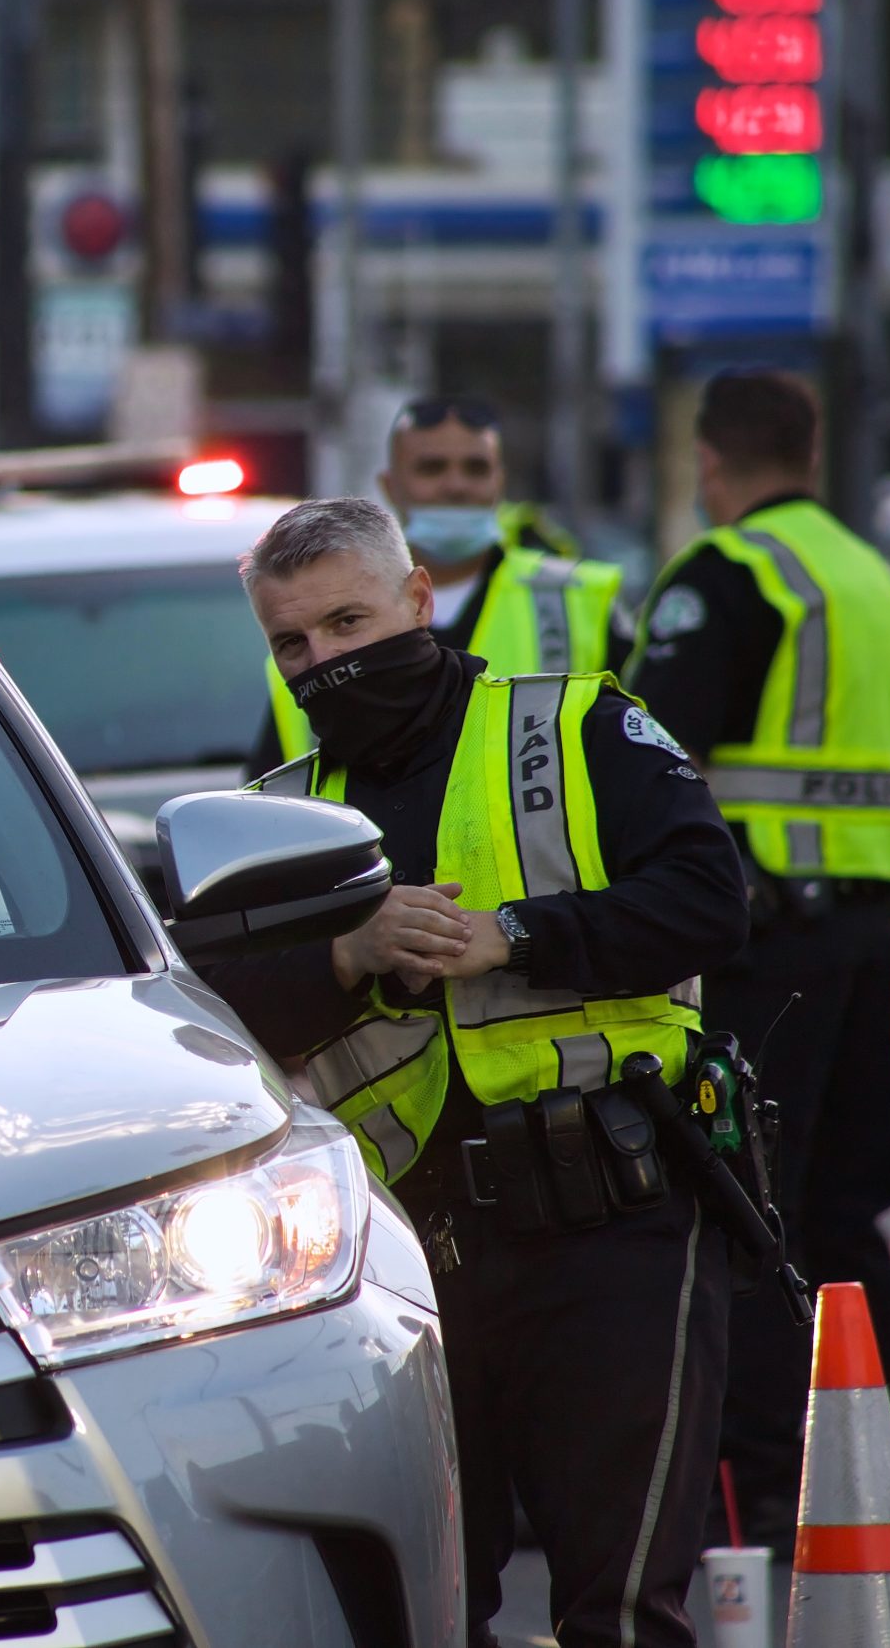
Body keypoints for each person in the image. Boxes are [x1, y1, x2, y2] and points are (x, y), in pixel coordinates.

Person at [207, 497, 748, 1648]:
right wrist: (349, 957)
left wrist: (519, 934)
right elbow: (208, 1021)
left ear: (418, 600)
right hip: (405, 1271)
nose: (325, 663)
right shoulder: (272, 817)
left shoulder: (579, 726)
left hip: (614, 1224)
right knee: (431, 1614)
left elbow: (711, 902)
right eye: (292, 645)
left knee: (619, 1609)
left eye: (348, 623)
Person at [623, 369, 890, 1557]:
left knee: (750, 1219)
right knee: (849, 1215)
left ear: (709, 461)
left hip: (764, 946)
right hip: (865, 936)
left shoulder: (727, 574)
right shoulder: (878, 580)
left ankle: (759, 1490)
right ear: (807, 451)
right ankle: (877, 1465)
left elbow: (647, 760)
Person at [247, 395, 631, 775]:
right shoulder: (307, 635)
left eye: (476, 468)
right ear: (391, 486)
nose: (456, 485)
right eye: (432, 468)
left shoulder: (578, 599)